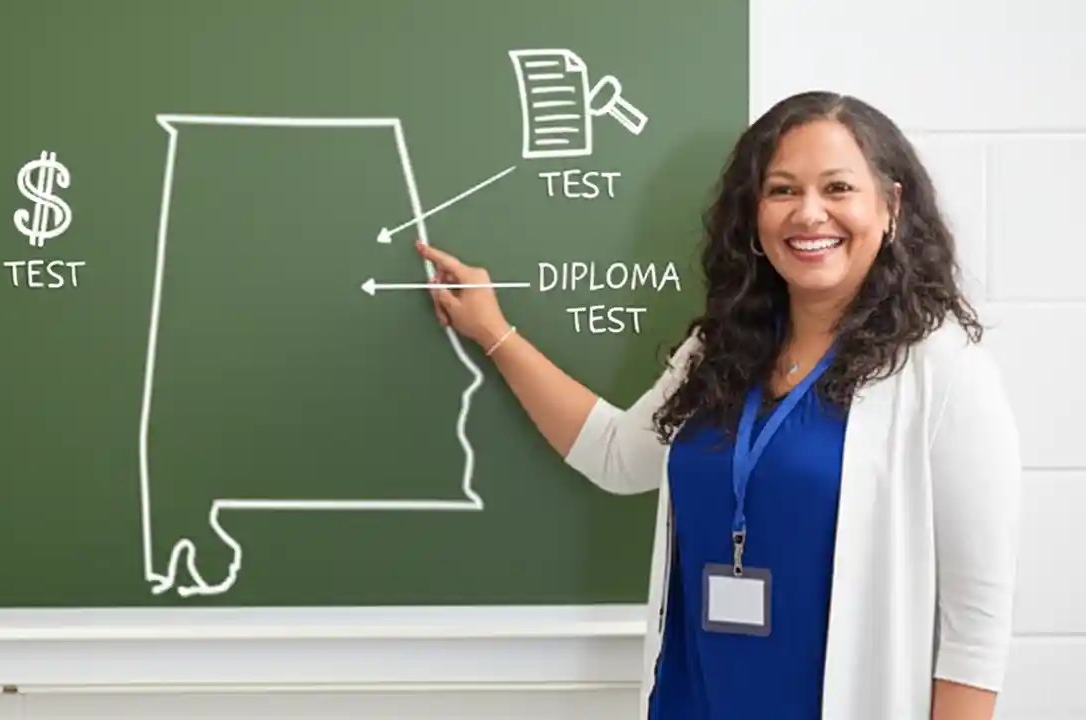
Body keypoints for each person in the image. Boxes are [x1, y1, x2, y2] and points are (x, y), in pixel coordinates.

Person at [415, 90, 1021, 720]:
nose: (809, 214)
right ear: (753, 214)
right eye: (782, 190)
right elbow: (617, 455)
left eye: (838, 189)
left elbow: (974, 628)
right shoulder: (720, 351)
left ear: (891, 206)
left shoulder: (941, 370)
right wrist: (495, 332)